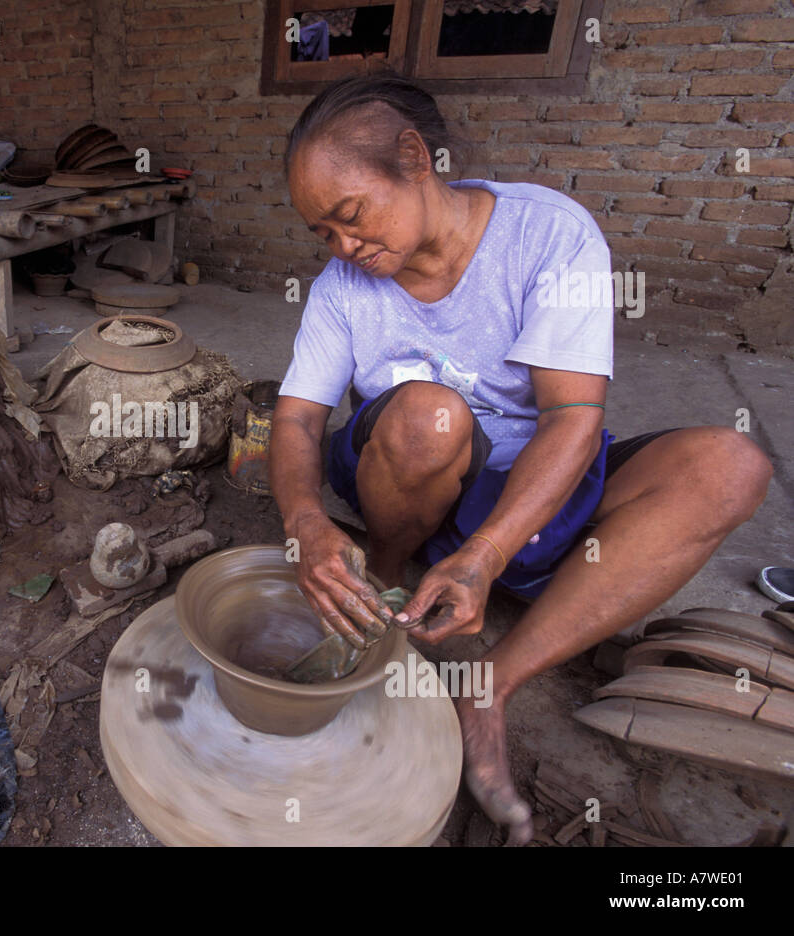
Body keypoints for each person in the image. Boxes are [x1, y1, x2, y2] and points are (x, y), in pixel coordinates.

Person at [268, 74, 773, 845]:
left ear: (414, 157)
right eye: (323, 234)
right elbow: (300, 418)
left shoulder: (548, 235)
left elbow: (573, 418)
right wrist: (305, 521)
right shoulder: (343, 286)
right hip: (405, 478)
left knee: (732, 466)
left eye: (350, 217)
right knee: (428, 416)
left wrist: (486, 553)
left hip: (527, 497)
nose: (343, 248)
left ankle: (490, 685)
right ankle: (391, 585)